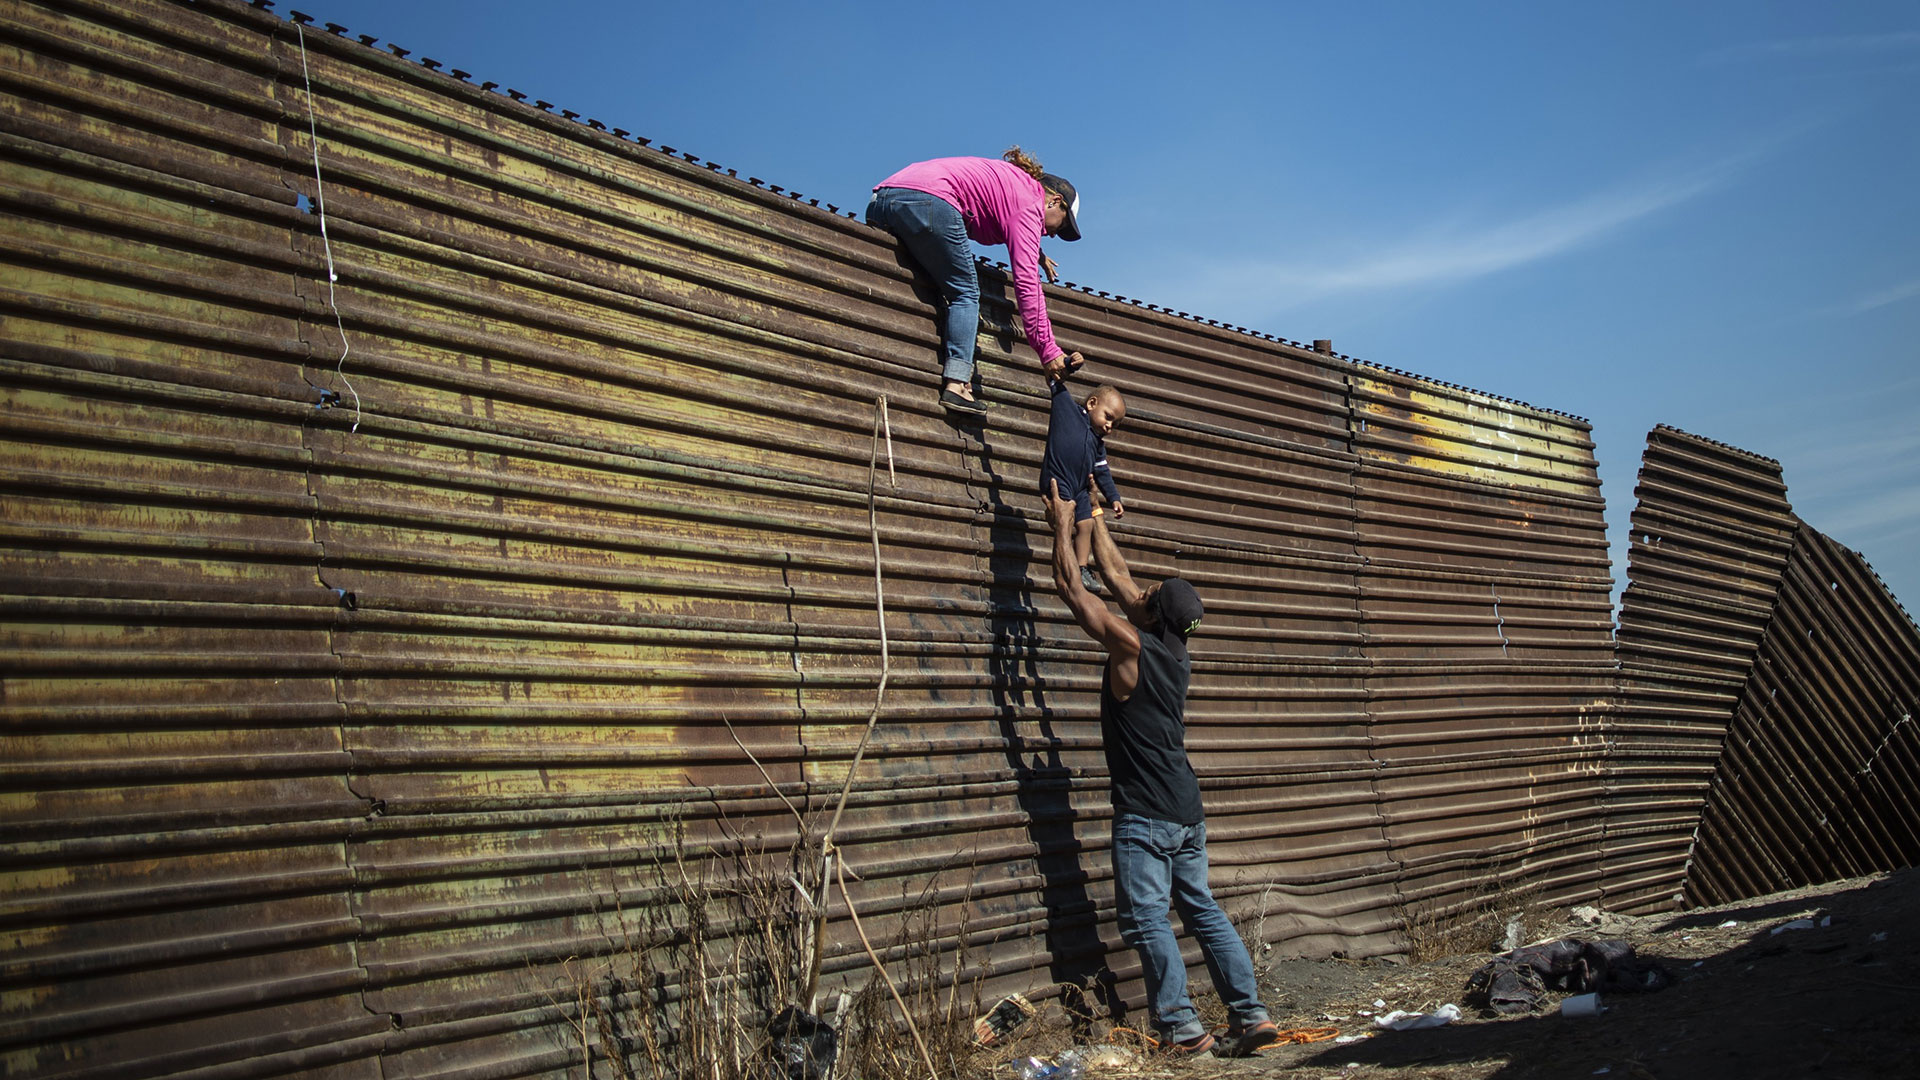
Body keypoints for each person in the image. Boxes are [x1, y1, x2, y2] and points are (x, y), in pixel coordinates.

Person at [1042, 480, 1281, 1057]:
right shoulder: (1174, 649)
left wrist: (1058, 522)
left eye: (1151, 592)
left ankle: (1180, 1029)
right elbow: (1121, 580)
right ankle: (1250, 1016)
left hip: (1147, 816)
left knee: (1147, 918)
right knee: (1199, 905)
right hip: (1187, 811)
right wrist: (1093, 511)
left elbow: (1075, 591)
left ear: (1152, 615)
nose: (1140, 587)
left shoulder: (1131, 648)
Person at [866, 147, 1086, 415]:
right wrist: (1048, 350)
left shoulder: (1014, 184)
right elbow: (1027, 284)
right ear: (1054, 201)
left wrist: (1037, 253)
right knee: (966, 292)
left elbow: (998, 211)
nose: (1053, 235)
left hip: (884, 199)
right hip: (931, 201)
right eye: (1061, 226)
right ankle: (957, 384)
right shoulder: (1030, 201)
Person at [1041, 379, 1127, 594]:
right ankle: (1065, 566)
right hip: (1057, 479)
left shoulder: (1098, 445)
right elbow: (1054, 380)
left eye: (1114, 425)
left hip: (1080, 488)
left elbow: (1103, 473)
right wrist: (1068, 364)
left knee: (1087, 524)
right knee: (1065, 519)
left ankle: (1081, 568)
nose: (1109, 427)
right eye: (1108, 417)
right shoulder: (1068, 412)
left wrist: (1114, 497)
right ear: (1092, 404)